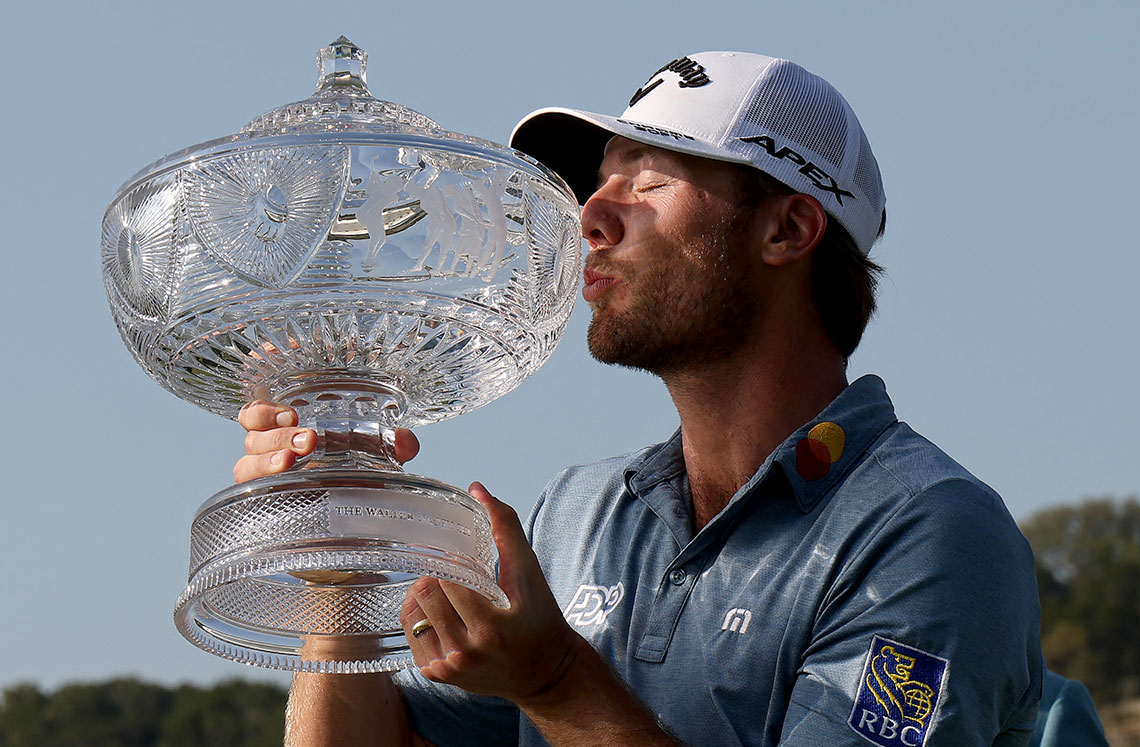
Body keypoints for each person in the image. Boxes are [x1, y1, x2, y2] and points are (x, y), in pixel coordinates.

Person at [237, 51, 1044, 746]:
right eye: (598, 184)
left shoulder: (930, 530)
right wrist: (337, 556)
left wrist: (555, 679)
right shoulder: (578, 512)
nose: (589, 215)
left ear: (789, 231)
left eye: (649, 182)